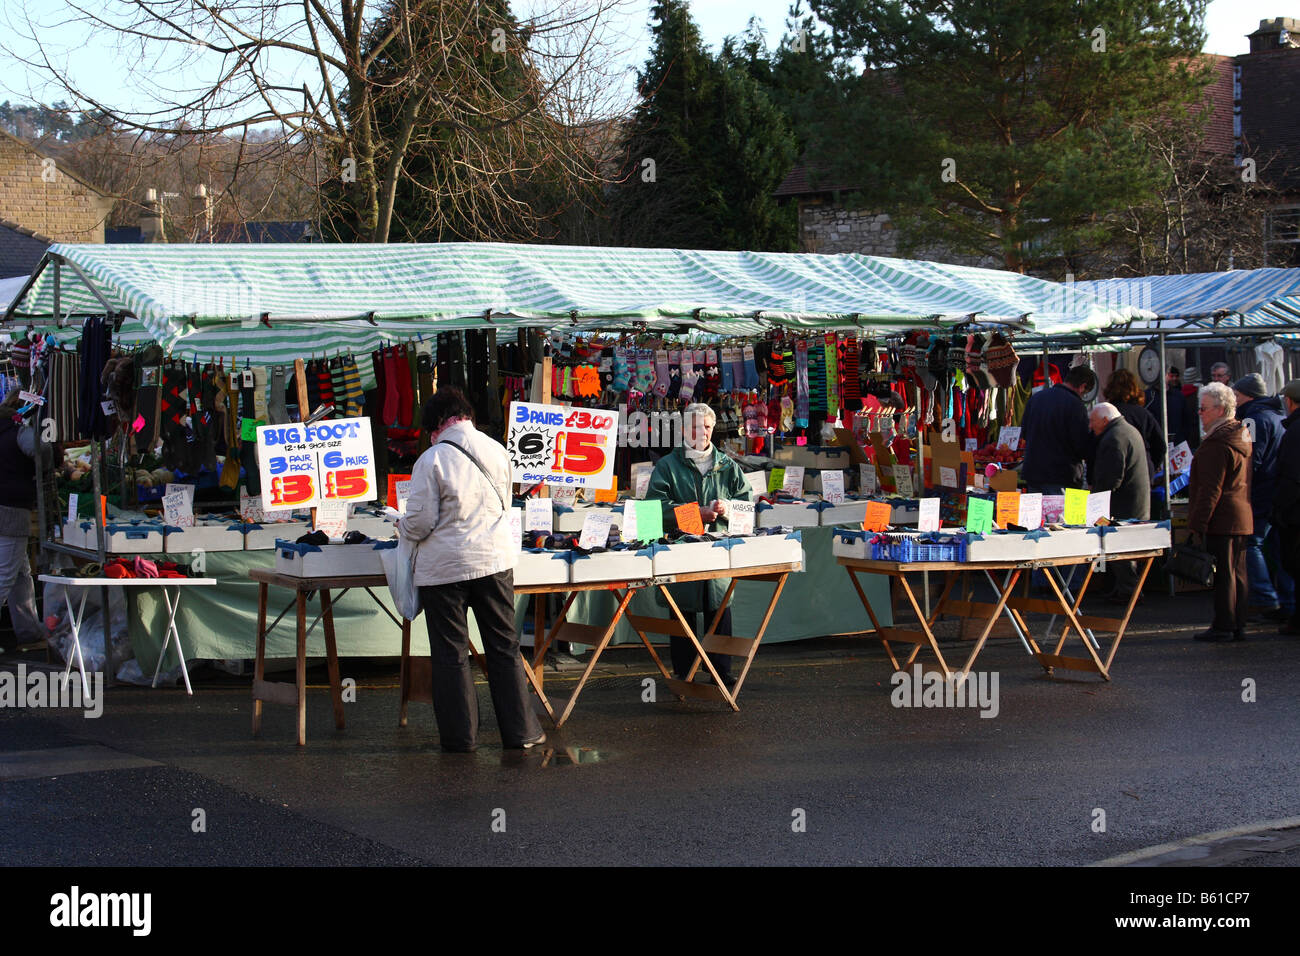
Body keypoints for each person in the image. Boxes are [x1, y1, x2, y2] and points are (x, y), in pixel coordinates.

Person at [397, 386, 544, 752]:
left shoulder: (431, 460)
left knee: (451, 653)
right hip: (494, 561)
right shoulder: (497, 450)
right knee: (504, 646)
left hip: (445, 569)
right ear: (466, 416)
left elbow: (419, 524)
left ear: (437, 425)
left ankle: (461, 739)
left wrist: (401, 525)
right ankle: (522, 732)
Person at [645, 403, 751, 686]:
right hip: (681, 551)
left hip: (719, 551)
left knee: (720, 607)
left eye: (705, 426)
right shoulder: (667, 466)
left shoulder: (728, 465)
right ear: (682, 429)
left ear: (712, 429)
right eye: (694, 426)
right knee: (682, 609)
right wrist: (696, 513)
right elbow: (653, 511)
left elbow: (747, 505)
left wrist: (728, 508)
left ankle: (722, 669)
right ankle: (684, 671)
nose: (701, 432)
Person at [1187, 382, 1253, 642]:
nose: (1200, 414)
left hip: (1223, 517)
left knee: (1225, 574)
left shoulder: (1218, 441)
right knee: (1236, 572)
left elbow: (1210, 489)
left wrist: (1197, 524)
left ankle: (1225, 624)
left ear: (1220, 409)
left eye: (1203, 409)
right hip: (1239, 514)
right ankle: (1237, 623)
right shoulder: (1239, 435)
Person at [1232, 373, 1293, 622]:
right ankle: (1287, 599)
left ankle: (1265, 598)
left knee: (1252, 542)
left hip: (1259, 492)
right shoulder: (1279, 416)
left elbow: (1251, 459)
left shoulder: (1253, 418)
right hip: (1277, 491)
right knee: (1279, 546)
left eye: (1236, 394)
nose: (1234, 399)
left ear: (1247, 394)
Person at [0, 389, 49, 653]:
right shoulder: (18, 431)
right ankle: (30, 632)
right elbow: (39, 448)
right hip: (11, 512)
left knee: (20, 575)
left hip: (6, 508)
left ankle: (29, 633)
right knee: (6, 576)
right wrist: (51, 456)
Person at [1088, 403, 1150, 603]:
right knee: (1122, 547)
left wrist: (1094, 500)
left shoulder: (1115, 437)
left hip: (1123, 504)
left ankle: (1129, 591)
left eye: (1093, 421)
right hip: (1134, 501)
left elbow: (1111, 478)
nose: (1091, 426)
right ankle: (1125, 588)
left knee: (1118, 545)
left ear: (1105, 420)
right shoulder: (1128, 431)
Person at [1020, 363, 1096, 495]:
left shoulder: (1036, 399)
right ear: (1083, 386)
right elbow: (1081, 446)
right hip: (1061, 476)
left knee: (1037, 515)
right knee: (1060, 516)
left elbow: (1025, 433)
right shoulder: (1076, 406)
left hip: (1034, 473)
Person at [1099, 368, 1165, 485]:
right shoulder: (1143, 414)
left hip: (1112, 470)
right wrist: (1151, 464)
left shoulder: (1105, 413)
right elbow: (1160, 445)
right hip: (1142, 470)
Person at [1271, 380, 1300, 635]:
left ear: (1290, 402)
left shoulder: (1295, 431)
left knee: (1294, 561)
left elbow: (1291, 475)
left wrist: (1279, 507)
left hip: (1294, 512)